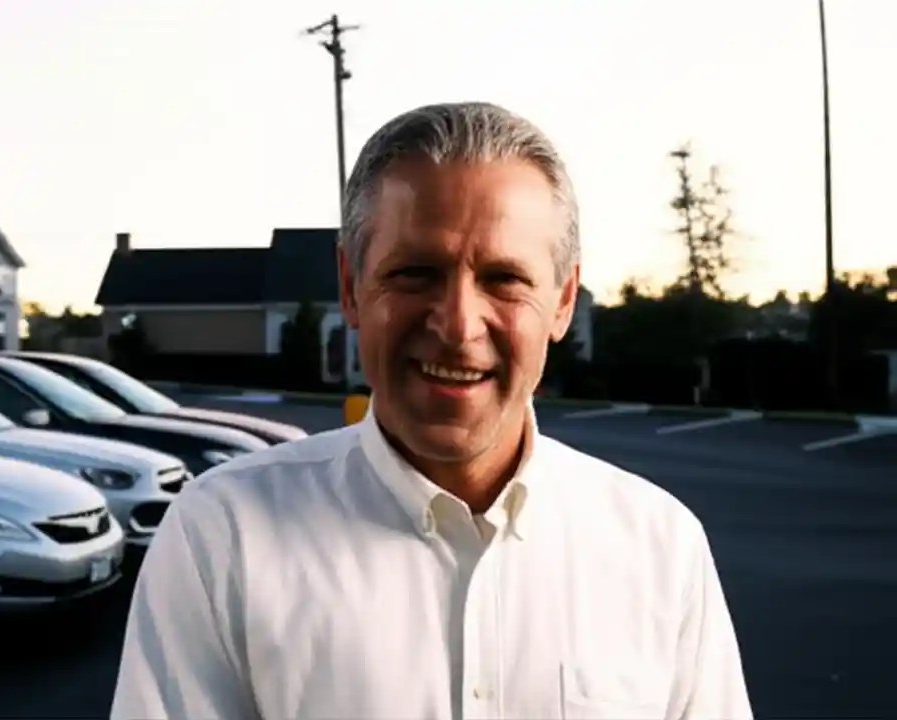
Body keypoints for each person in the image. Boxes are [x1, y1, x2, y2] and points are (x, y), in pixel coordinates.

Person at [109, 101, 752, 720]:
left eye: (504, 278)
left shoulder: (660, 548)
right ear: (351, 287)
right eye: (415, 273)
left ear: (561, 302)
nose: (456, 324)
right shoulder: (223, 536)